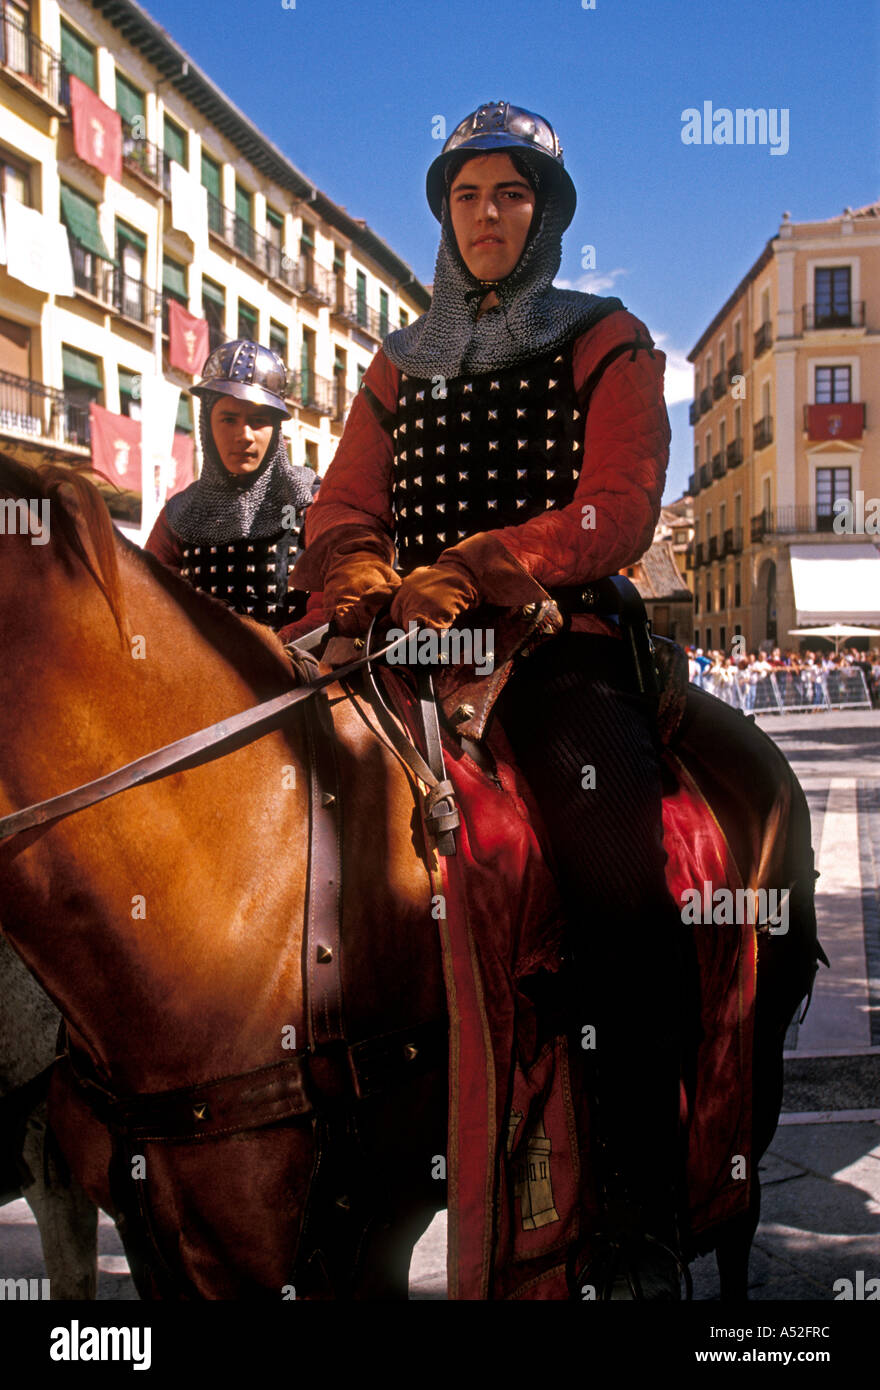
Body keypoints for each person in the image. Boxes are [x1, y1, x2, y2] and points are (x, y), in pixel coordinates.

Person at [291, 102, 687, 1296]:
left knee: (615, 874)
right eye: (466, 195)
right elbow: (343, 506)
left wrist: (476, 565)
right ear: (444, 215)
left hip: (553, 647)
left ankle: (641, 1198)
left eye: (510, 193)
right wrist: (365, 579)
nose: (486, 214)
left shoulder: (606, 335)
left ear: (544, 213)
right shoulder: (395, 361)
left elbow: (617, 505)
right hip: (403, 645)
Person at [145, 339, 314, 630]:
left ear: (275, 428)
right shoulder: (180, 515)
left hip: (300, 659)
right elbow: (150, 603)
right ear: (207, 424)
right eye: (228, 419)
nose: (244, 435)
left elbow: (336, 600)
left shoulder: (310, 501)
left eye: (258, 420)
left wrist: (284, 650)